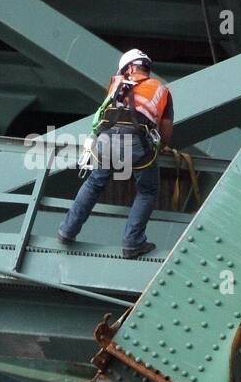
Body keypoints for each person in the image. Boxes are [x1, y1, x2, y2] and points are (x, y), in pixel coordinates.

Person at [57, 48, 173, 258]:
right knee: (147, 191)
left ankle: (67, 230)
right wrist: (160, 148)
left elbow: (102, 114)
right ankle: (132, 243)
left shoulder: (116, 84)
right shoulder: (161, 89)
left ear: (129, 68)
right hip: (137, 143)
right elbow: (166, 130)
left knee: (94, 183)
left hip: (106, 140)